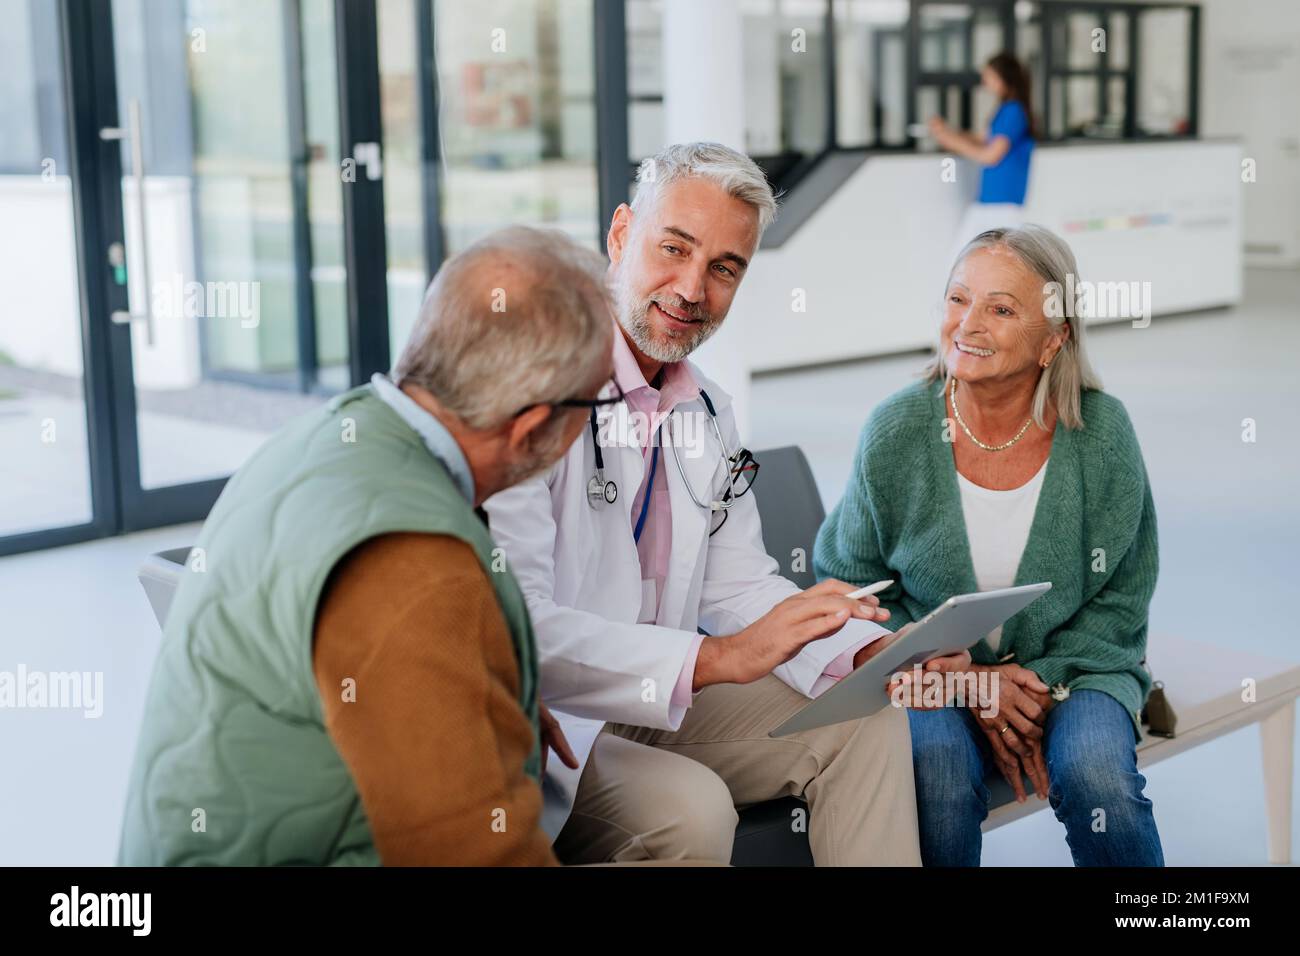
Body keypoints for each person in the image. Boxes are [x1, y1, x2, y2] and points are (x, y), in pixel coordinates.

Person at [485, 142, 969, 866]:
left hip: (659, 699)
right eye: (672, 249)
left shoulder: (706, 407)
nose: (691, 289)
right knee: (691, 810)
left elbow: (737, 581)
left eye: (723, 268)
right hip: (559, 717)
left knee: (868, 725)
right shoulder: (532, 390)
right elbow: (523, 630)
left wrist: (867, 650)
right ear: (620, 235)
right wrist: (715, 658)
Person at [118, 227, 617, 866]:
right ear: (533, 427)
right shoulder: (416, 564)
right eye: (597, 401)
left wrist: (481, 690)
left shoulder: (332, 435)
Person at [814, 224, 1164, 867]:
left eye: (1001, 309)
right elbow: (849, 586)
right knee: (937, 776)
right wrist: (971, 683)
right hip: (926, 676)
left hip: (1076, 669)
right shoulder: (897, 430)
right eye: (957, 299)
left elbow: (1121, 601)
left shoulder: (1103, 433)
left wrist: (1023, 683)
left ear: (1053, 338)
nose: (967, 324)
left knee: (1098, 777)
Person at [929, 51, 1036, 249]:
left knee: (969, 260)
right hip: (989, 202)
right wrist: (948, 132)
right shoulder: (1005, 110)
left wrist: (951, 140)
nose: (984, 82)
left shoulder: (1013, 111)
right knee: (966, 259)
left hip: (1003, 205)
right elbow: (983, 138)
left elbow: (991, 155)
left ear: (1002, 77)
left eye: (989, 76)